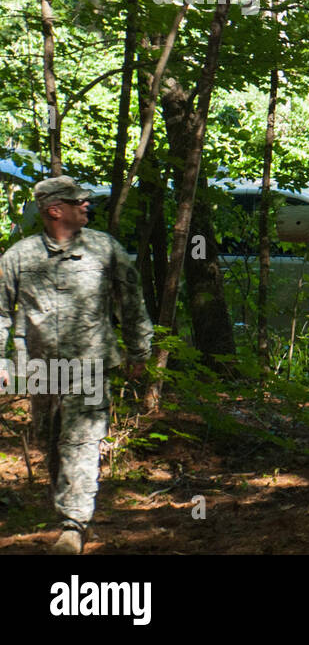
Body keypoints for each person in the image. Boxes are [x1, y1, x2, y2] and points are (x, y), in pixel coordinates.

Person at [0, 175, 153, 555]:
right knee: (50, 440)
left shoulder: (106, 250)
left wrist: (139, 351)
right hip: (39, 368)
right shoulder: (19, 256)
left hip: (89, 365)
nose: (87, 205)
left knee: (81, 441)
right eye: (78, 201)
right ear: (55, 210)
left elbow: (131, 302)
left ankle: (74, 524)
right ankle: (64, 510)